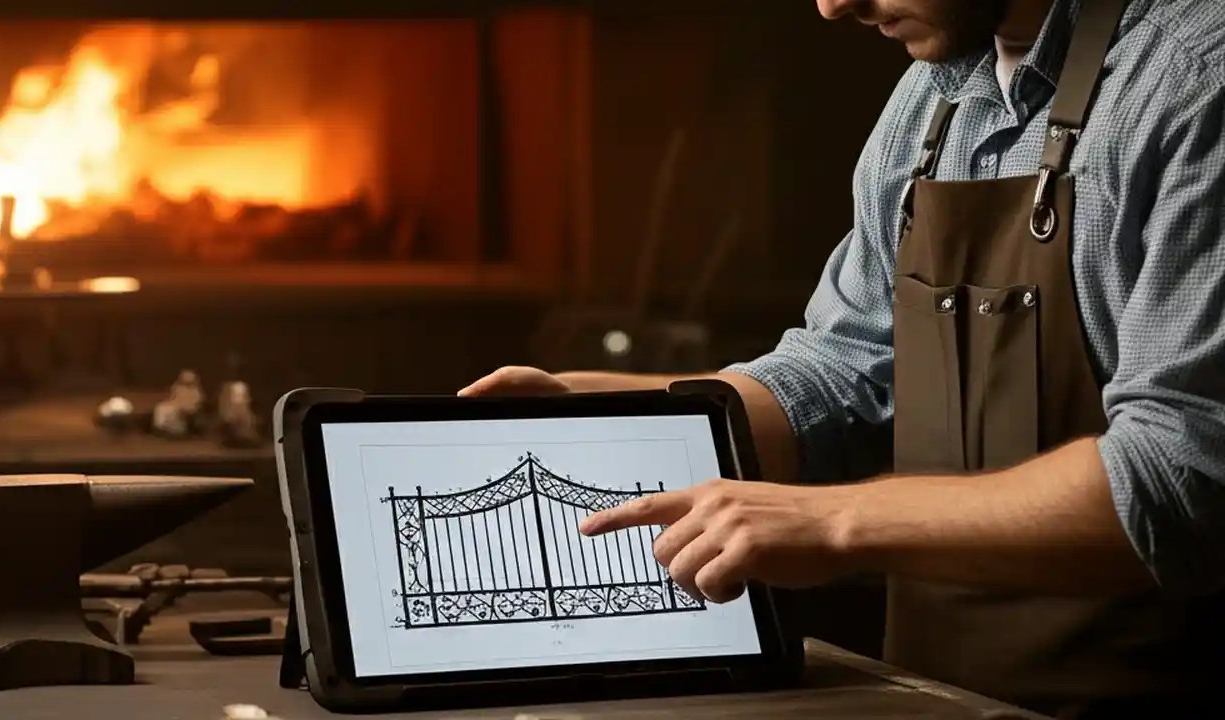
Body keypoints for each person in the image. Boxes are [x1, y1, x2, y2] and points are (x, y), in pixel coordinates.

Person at [460, 0, 1225, 716]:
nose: (832, 5)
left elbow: (1180, 476)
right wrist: (632, 420)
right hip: (935, 695)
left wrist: (831, 524)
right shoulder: (933, 94)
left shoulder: (1196, 78)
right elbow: (848, 369)